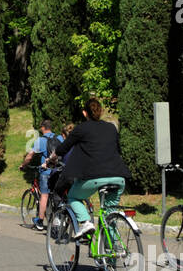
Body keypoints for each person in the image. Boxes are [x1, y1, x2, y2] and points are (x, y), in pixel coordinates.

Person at [46, 98, 132, 239]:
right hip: (118, 176)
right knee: (109, 215)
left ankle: (86, 222)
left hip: (95, 176)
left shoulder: (81, 129)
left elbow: (63, 148)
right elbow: (118, 149)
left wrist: (51, 159)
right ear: (101, 111)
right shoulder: (112, 128)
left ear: (85, 113)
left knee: (73, 196)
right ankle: (114, 251)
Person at [21, 119, 59, 231]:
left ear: (43, 128)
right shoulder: (59, 138)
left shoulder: (40, 140)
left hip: (46, 171)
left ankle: (40, 221)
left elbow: (29, 156)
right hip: (57, 171)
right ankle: (58, 219)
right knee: (57, 195)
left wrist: (23, 165)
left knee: (45, 195)